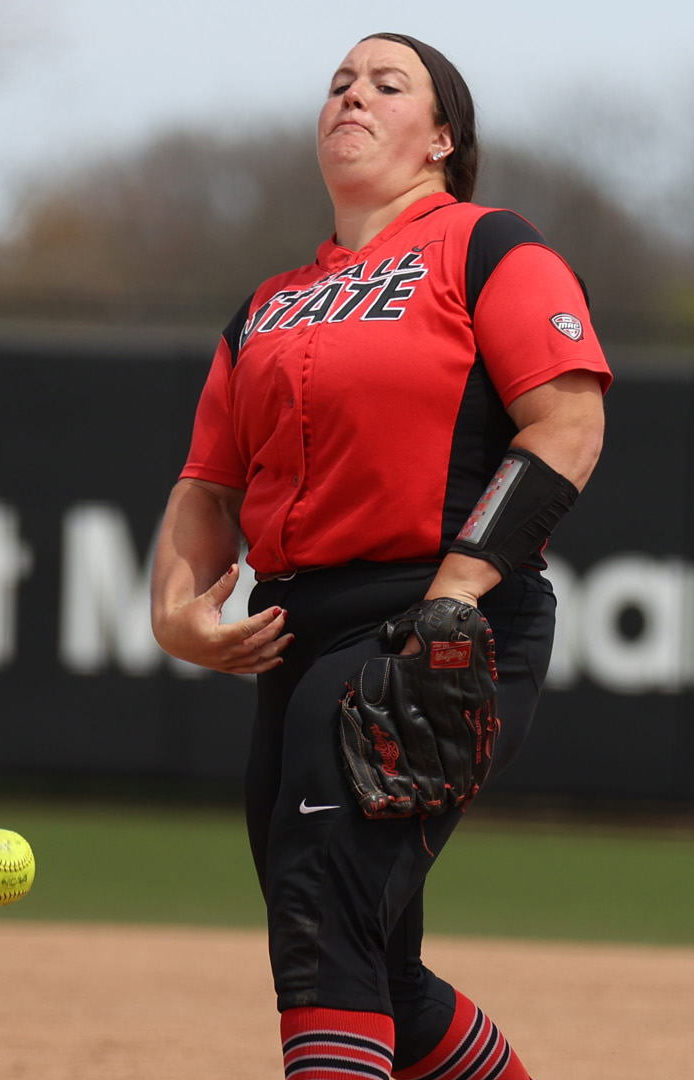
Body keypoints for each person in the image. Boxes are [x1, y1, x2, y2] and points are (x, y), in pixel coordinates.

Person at [149, 32, 609, 1080]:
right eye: (339, 83)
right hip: (296, 638)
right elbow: (208, 485)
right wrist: (173, 607)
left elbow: (566, 429)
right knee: (367, 954)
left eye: (386, 83)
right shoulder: (267, 303)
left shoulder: (490, 246)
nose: (353, 94)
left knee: (322, 921)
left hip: (436, 617)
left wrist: (454, 595)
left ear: (442, 137)